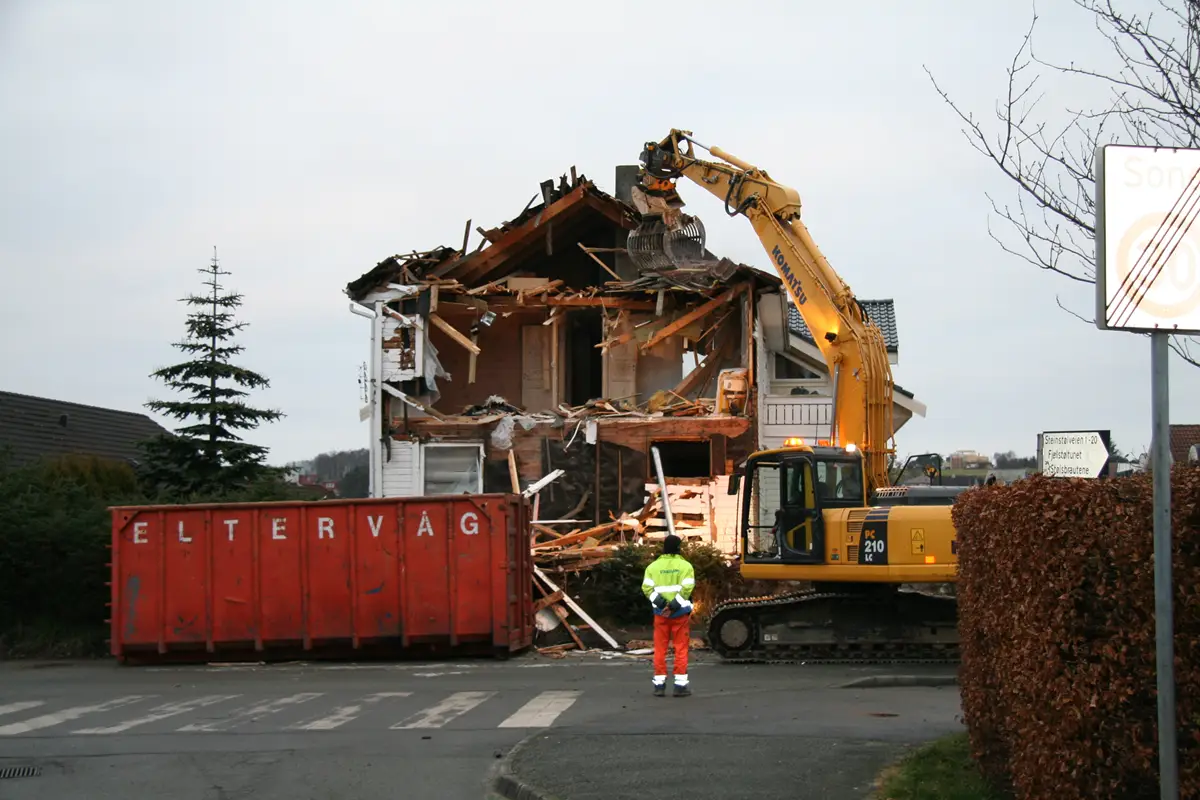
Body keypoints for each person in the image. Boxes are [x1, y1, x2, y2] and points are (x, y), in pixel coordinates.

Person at [641, 534, 695, 697]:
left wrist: (662, 605)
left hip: (660, 615)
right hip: (680, 614)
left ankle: (659, 685)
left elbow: (647, 589)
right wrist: (673, 606)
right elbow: (687, 589)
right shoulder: (685, 566)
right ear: (679, 548)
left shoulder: (653, 567)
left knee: (660, 649)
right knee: (681, 649)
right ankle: (680, 686)